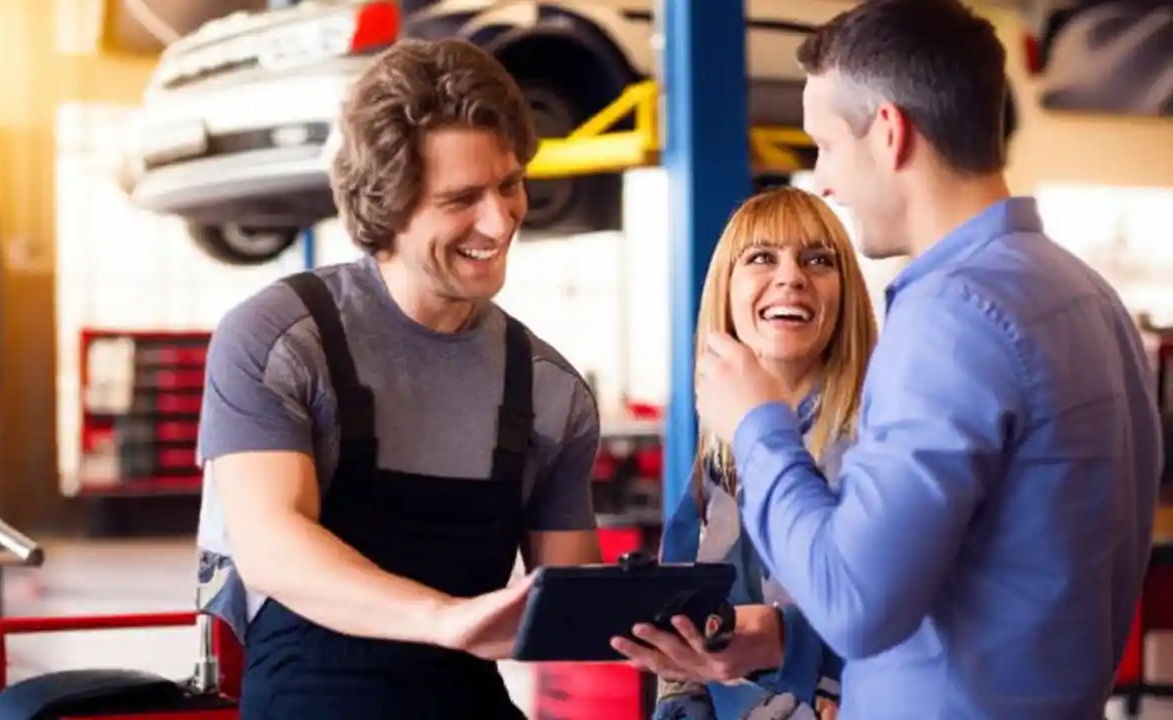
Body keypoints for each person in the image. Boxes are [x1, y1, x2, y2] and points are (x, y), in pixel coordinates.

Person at [694, 1, 1163, 718]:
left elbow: (853, 602)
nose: (822, 180)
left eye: (825, 145)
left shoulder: (950, 317)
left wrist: (758, 426)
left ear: (889, 132)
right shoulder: (1086, 294)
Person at [192, 38, 603, 719]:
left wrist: (666, 615)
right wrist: (442, 619)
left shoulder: (550, 391)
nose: (500, 220)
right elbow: (269, 546)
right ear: (387, 204)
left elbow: (571, 602)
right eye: (461, 198)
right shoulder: (280, 340)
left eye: (508, 184)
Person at [610, 187, 877, 720]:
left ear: (845, 294)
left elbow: (913, 628)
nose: (791, 277)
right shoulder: (719, 455)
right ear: (725, 292)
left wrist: (785, 641)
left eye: (818, 260)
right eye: (761, 258)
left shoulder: (881, 443)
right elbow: (679, 647)